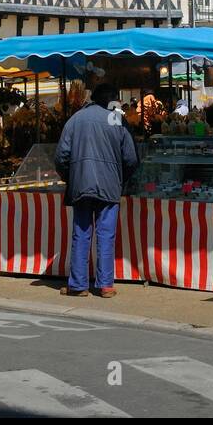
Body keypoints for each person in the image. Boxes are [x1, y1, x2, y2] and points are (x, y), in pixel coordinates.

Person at [55, 82, 138, 298]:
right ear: (110, 100)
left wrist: (70, 177)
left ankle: (78, 285)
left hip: (80, 185)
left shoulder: (75, 119)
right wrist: (121, 179)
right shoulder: (115, 119)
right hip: (110, 186)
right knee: (106, 235)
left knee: (81, 234)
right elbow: (131, 158)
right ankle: (105, 286)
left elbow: (61, 156)